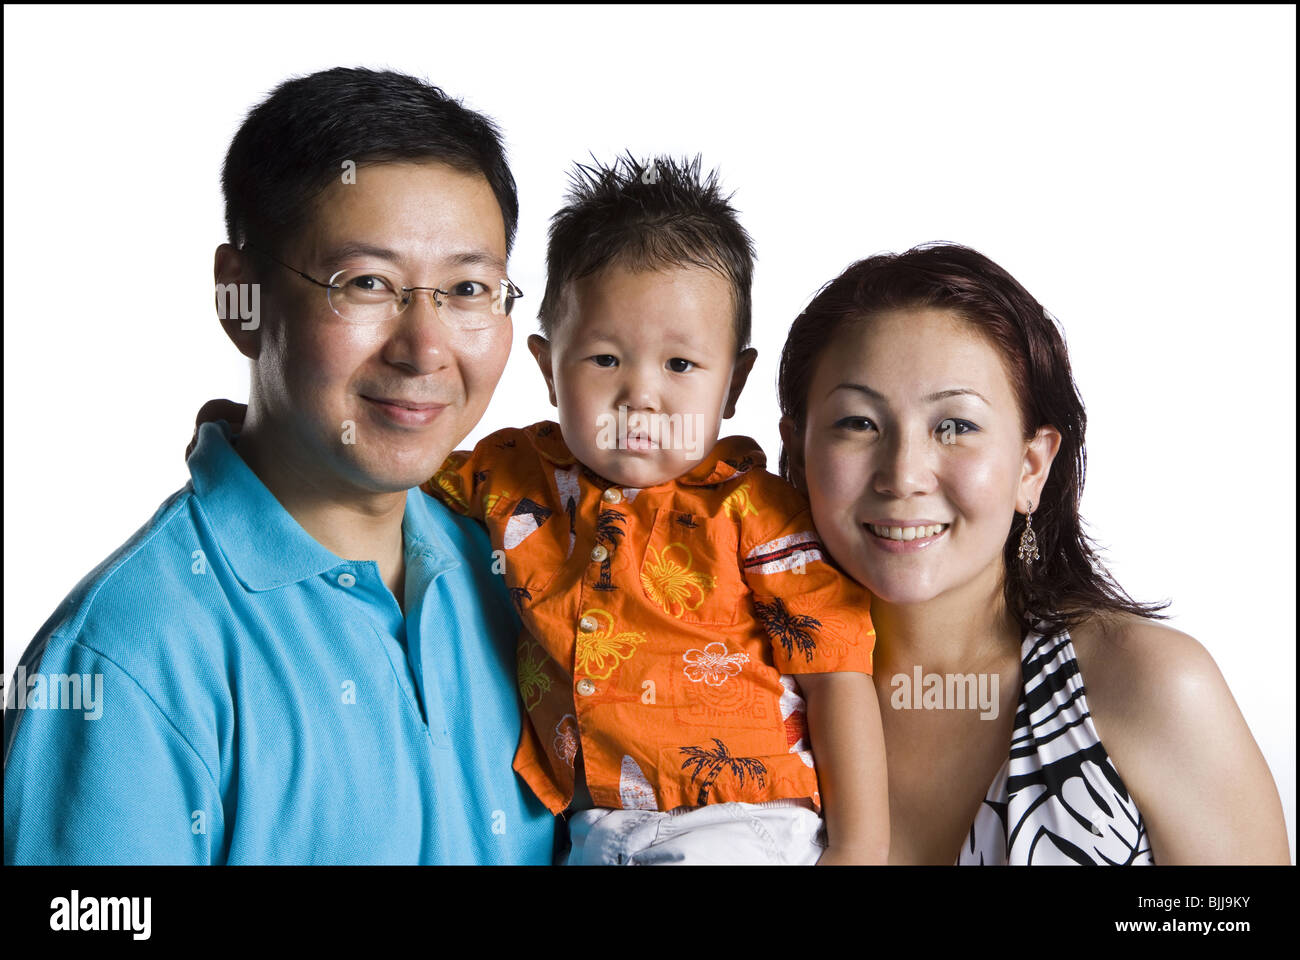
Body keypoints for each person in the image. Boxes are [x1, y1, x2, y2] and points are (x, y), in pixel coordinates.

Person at [3, 67, 557, 864]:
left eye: (469, 288)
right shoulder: (126, 658)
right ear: (243, 298)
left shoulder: (529, 577)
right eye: (367, 283)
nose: (425, 348)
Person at [425, 155, 888, 865]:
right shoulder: (509, 474)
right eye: (605, 359)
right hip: (589, 825)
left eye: (680, 365)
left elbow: (836, 671)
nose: (641, 395)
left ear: (733, 384)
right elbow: (396, 469)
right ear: (549, 369)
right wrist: (260, 438)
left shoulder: (751, 510)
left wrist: (858, 850)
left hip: (735, 821)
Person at [775, 242, 1291, 864]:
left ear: (1030, 466)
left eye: (957, 426)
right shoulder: (715, 680)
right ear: (796, 453)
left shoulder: (1145, 685)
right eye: (859, 423)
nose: (903, 475)